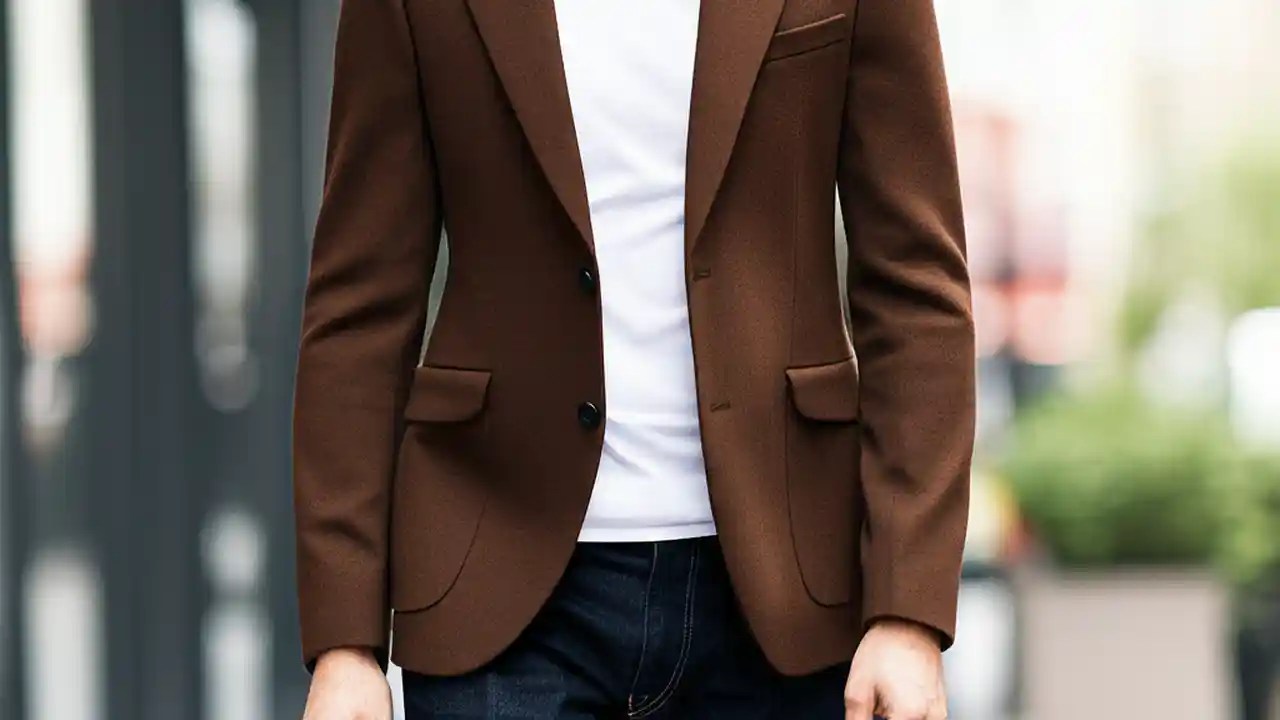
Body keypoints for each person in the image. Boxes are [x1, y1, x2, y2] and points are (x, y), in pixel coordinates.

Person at [292, 0, 974, 717]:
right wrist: (346, 644)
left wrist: (907, 610)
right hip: (496, 587)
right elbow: (359, 310)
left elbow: (915, 289)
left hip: (787, 591)